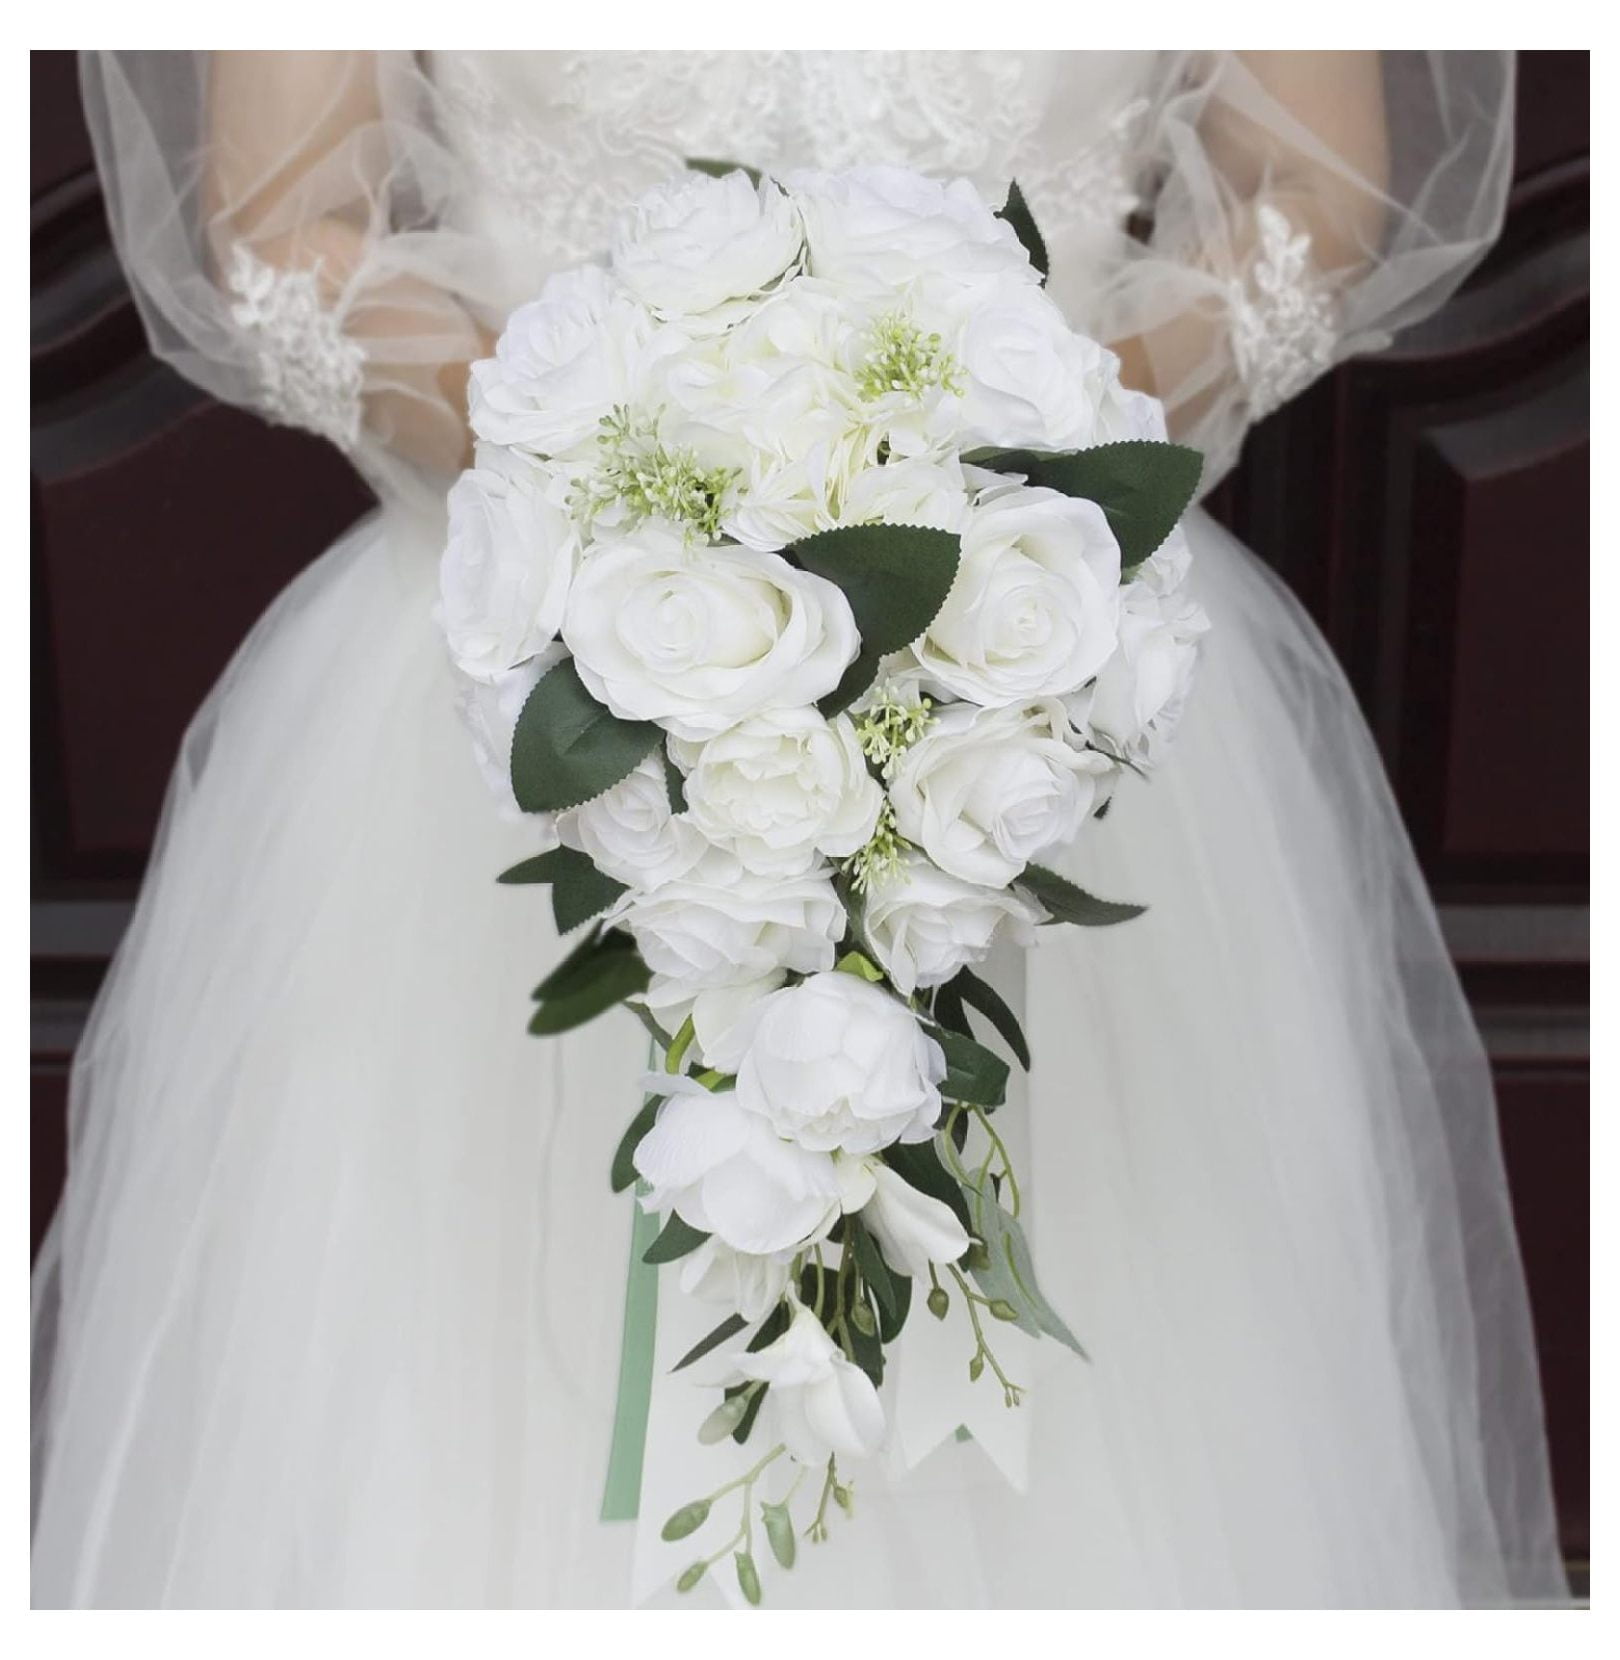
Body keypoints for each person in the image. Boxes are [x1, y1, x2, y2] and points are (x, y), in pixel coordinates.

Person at [33, 51, 1565, 1608]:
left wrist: (1001, 472)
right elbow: (288, 238)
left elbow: (1309, 198)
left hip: (1034, 656)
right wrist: (617, 499)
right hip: (514, 685)